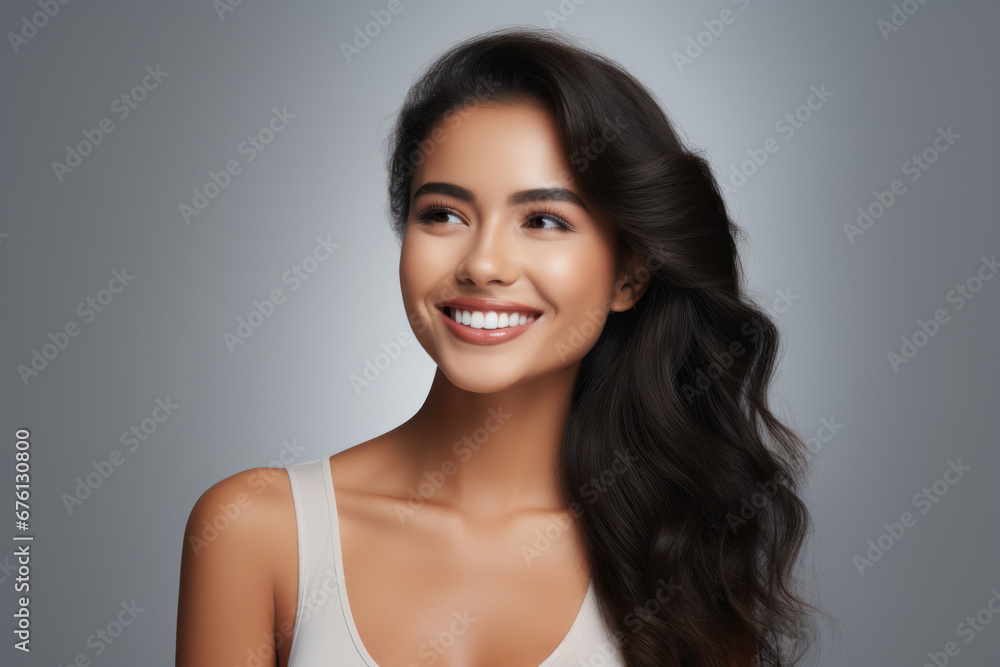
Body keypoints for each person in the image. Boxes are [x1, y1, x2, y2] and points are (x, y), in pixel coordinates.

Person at [176, 26, 826, 667]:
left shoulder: (683, 549)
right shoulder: (254, 529)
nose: (483, 263)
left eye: (543, 220)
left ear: (629, 274)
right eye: (444, 214)